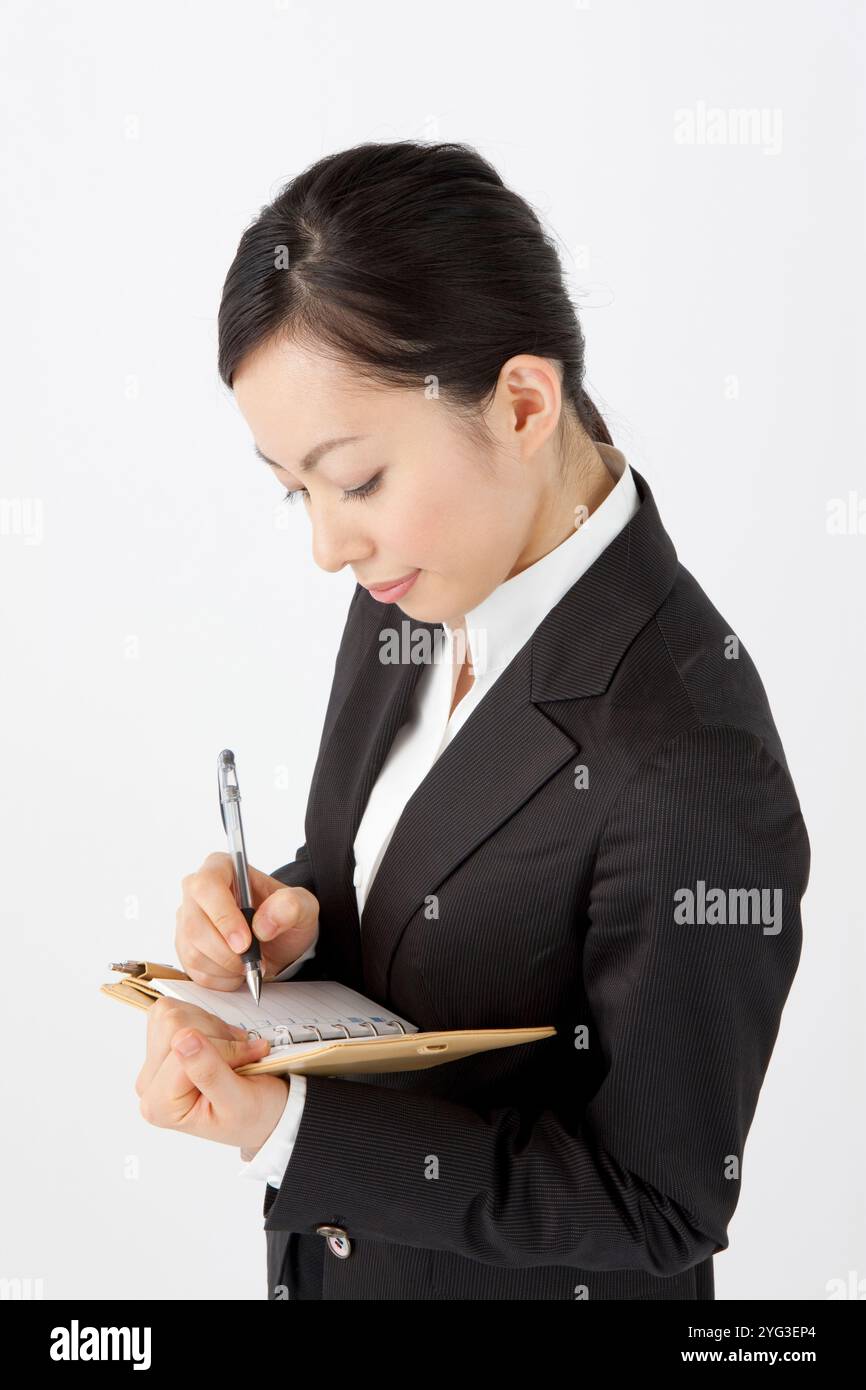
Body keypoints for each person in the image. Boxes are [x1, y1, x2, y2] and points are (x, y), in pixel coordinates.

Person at [139, 140, 811, 1301]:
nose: (326, 546)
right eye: (293, 489)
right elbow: (425, 881)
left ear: (518, 403)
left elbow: (657, 1207)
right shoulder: (419, 574)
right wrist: (288, 922)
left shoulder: (690, 755)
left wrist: (291, 1130)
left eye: (352, 480)